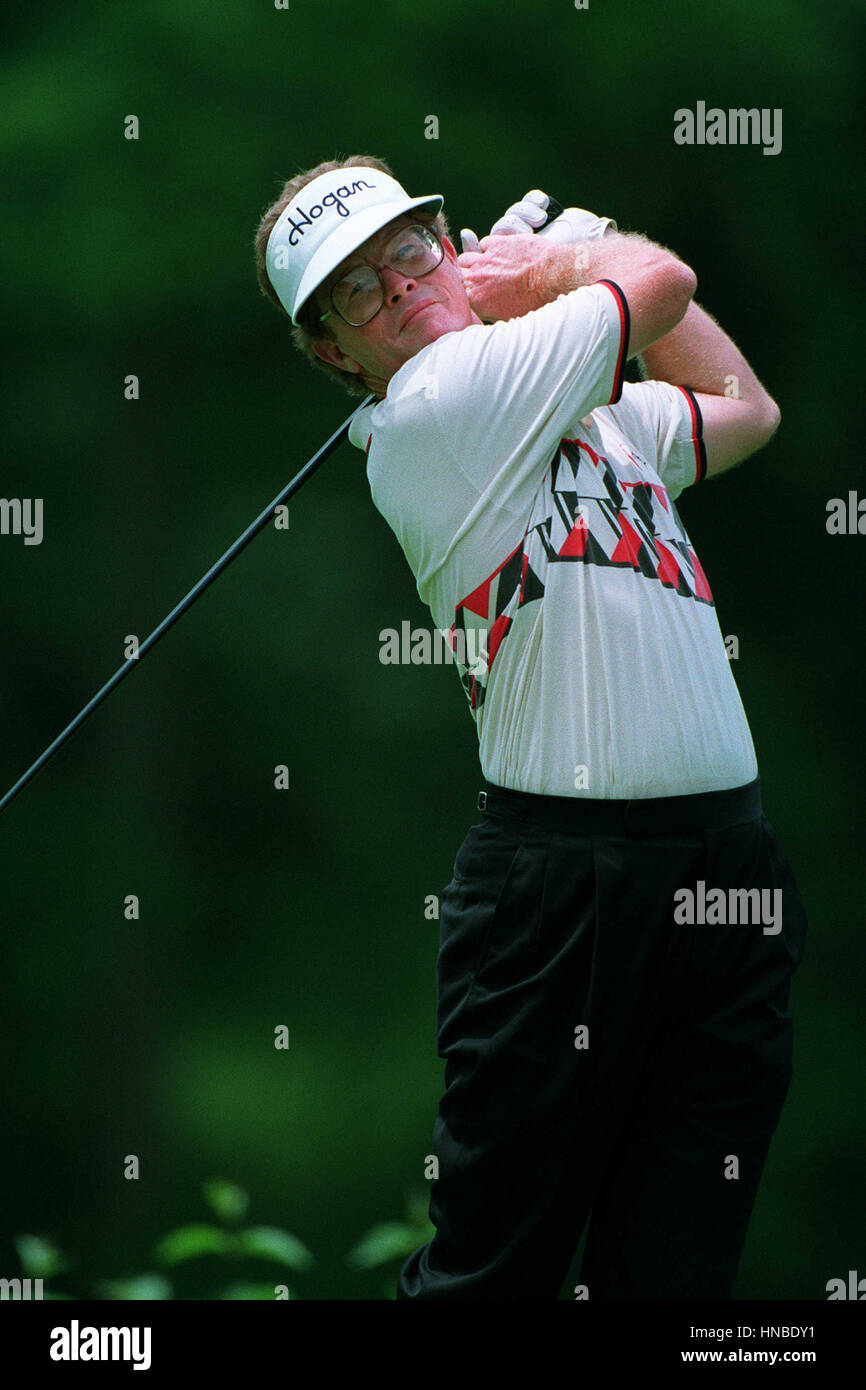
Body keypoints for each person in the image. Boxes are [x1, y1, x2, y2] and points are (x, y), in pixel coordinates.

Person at [254, 155, 808, 1300]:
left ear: (448, 240)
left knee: (675, 1276)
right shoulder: (435, 409)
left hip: (724, 872)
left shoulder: (581, 410)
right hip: (561, 892)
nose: (400, 287)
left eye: (409, 249)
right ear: (333, 355)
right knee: (490, 1282)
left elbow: (742, 407)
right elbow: (659, 282)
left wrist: (575, 254)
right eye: (356, 291)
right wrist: (570, 260)